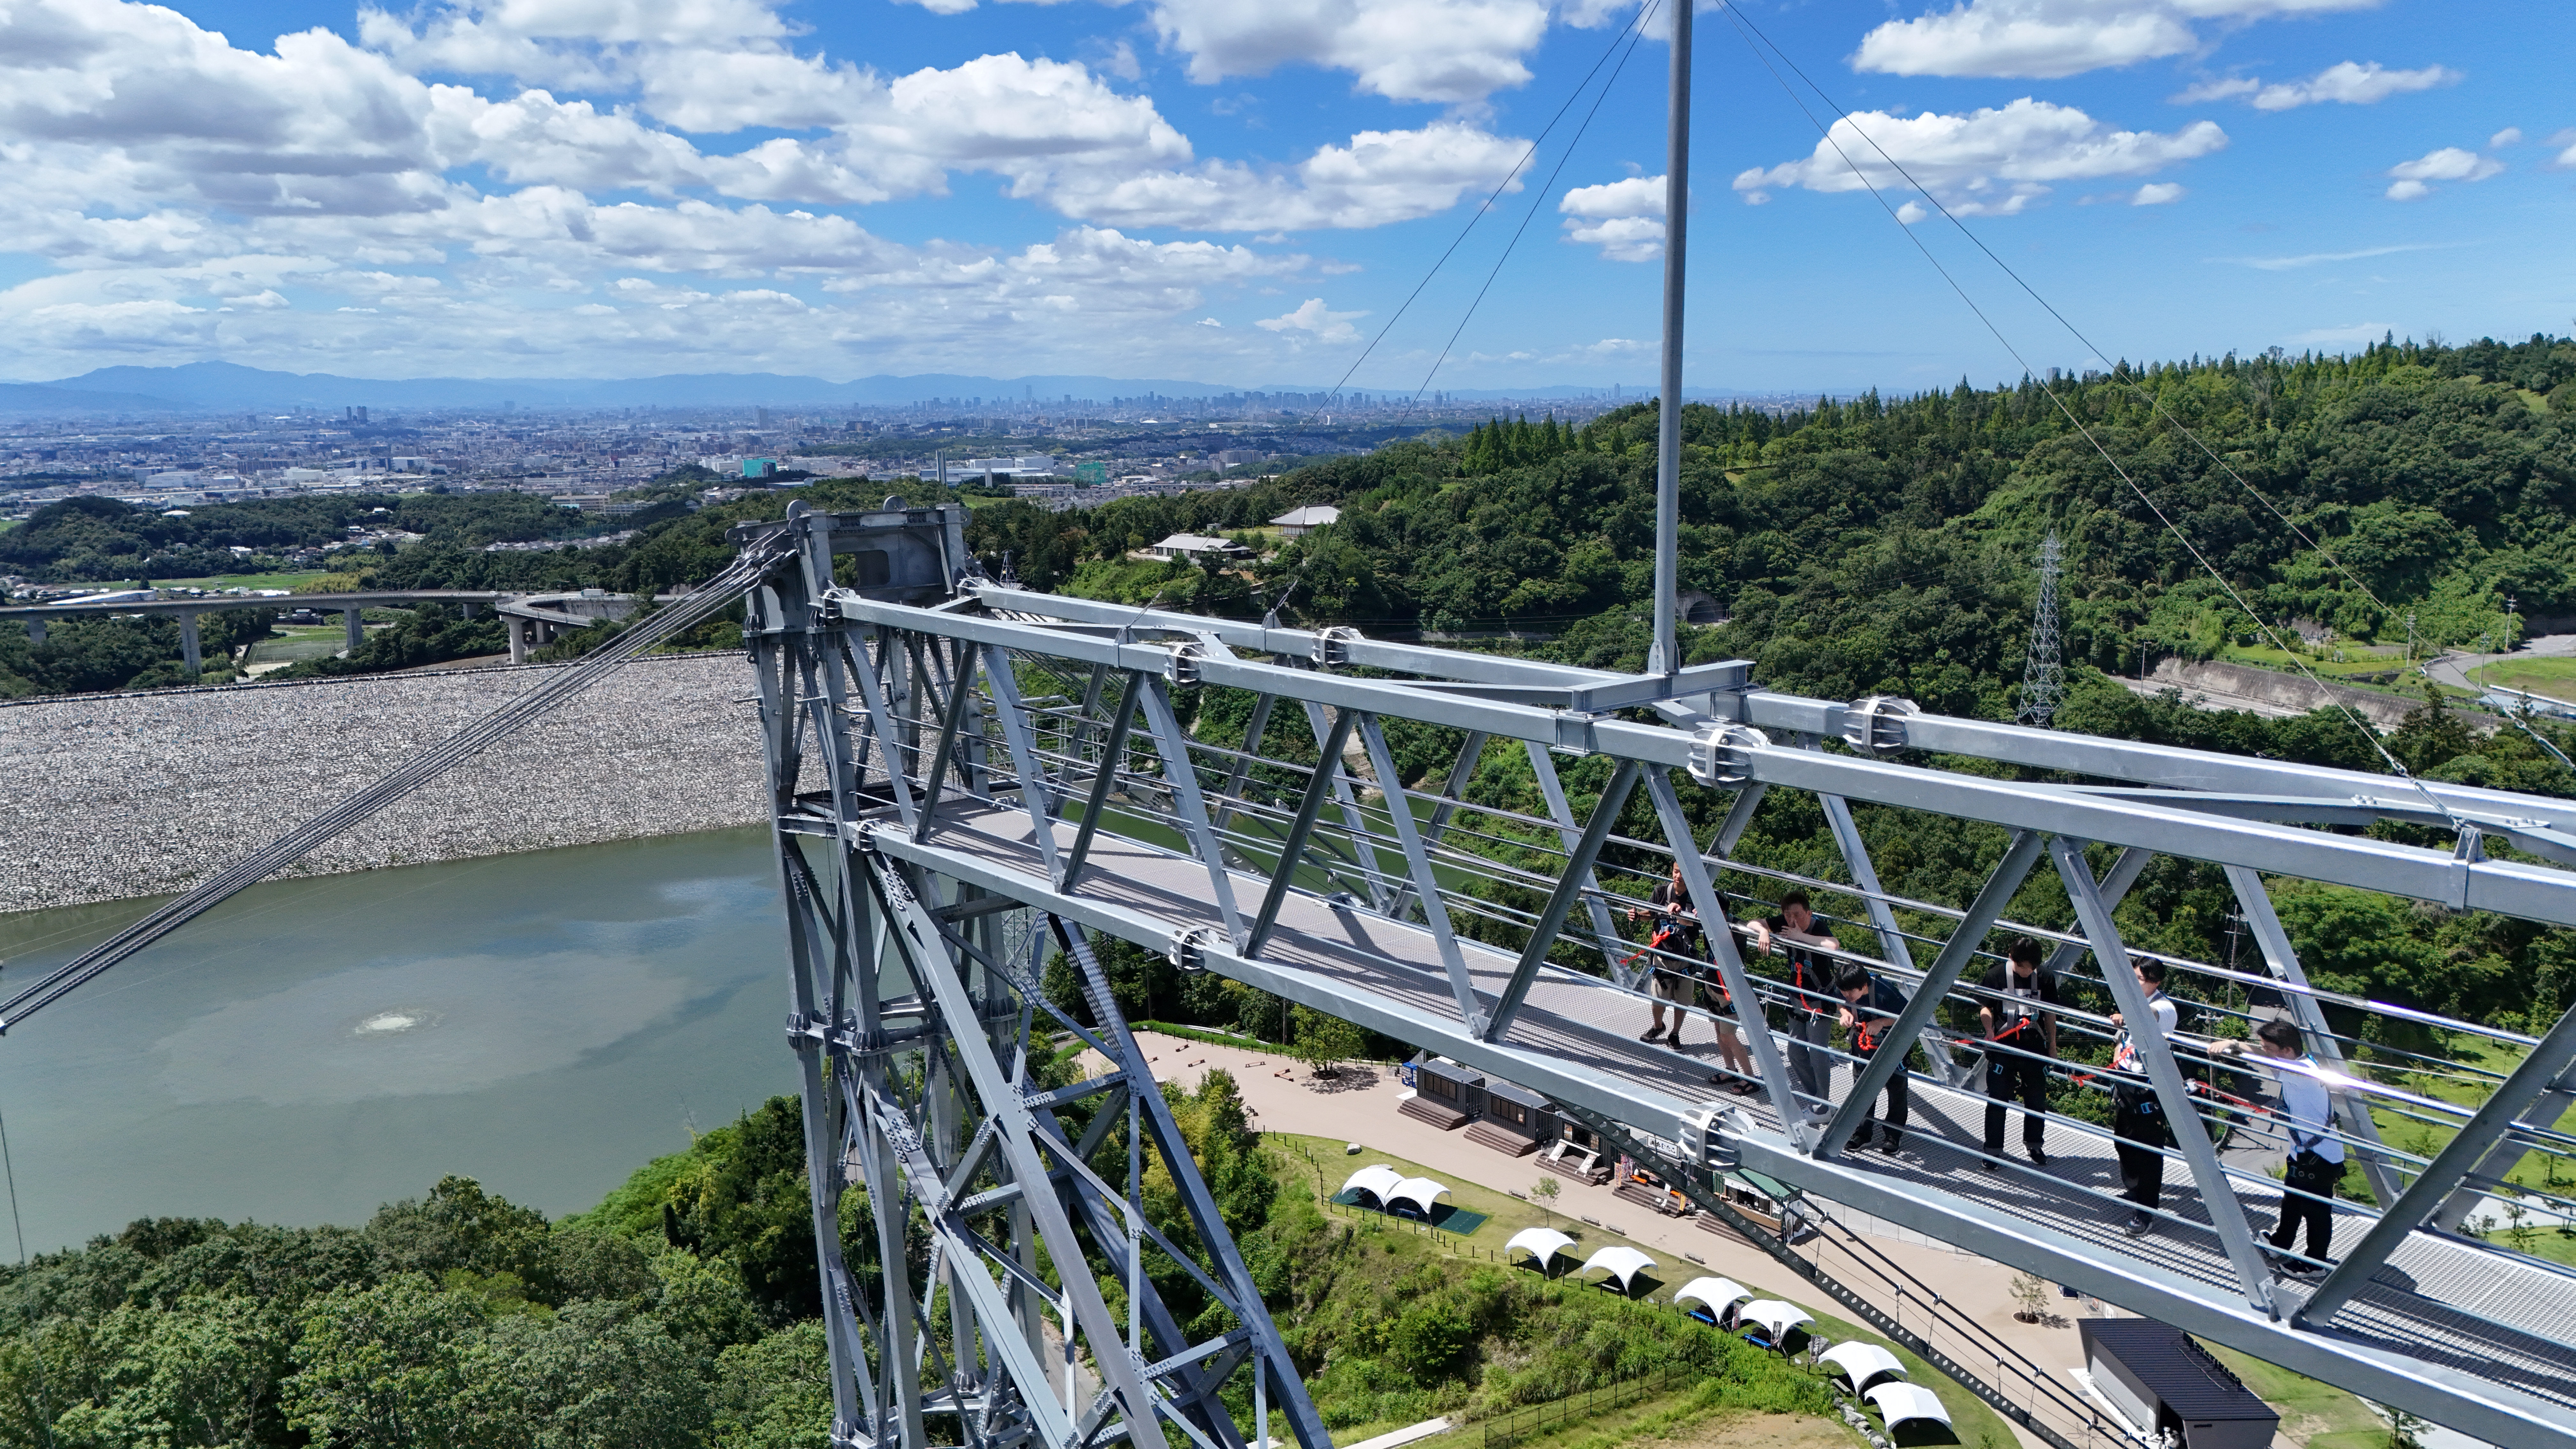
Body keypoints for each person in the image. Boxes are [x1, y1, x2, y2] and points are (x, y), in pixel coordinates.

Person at [2214, 1019, 2343, 1276]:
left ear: (2286, 1051)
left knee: (2317, 1211)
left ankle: (2315, 1262)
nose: (2265, 1052)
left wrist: (2234, 1044)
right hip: (2309, 1152)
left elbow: (2262, 1060)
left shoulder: (2299, 1072)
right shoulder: (2303, 1064)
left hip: (2319, 1156)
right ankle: (2280, 1244)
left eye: (2269, 1048)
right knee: (2293, 1201)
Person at [1749, 890, 1840, 1116]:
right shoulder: (1785, 923)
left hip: (1819, 999)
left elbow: (1833, 945)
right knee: (1795, 1052)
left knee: (1818, 1053)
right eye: (1788, 915)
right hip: (1796, 998)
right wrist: (1764, 932)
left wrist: (1801, 938)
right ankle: (1817, 1098)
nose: (1793, 921)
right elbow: (1752, 923)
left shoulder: (1817, 927)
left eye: (1798, 915)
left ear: (1809, 913)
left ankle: (1822, 1106)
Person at [2106, 958, 2179, 1237]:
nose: (2135, 983)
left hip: (2149, 1084)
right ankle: (2136, 1190)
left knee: (2149, 1150)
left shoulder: (2165, 1008)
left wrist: (2129, 1014)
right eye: (2134, 977)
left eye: (2141, 979)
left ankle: (2145, 1211)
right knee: (2123, 1141)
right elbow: (2122, 1037)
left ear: (2156, 983)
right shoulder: (2133, 1001)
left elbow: (2152, 1015)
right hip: (2127, 1077)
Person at [1979, 937, 2061, 1169]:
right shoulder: (1996, 975)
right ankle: (1993, 1150)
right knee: (1997, 1099)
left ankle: (2035, 1144)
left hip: (2033, 1043)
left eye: (2031, 968)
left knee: (2036, 1100)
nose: (2027, 972)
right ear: (2011, 957)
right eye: (2022, 967)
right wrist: (1989, 1031)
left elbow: (2050, 1014)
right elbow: (1986, 1006)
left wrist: (2052, 1047)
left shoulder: (2045, 977)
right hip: (2004, 1043)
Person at [1836, 963, 1912, 1153]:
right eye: (1844, 992)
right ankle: (1862, 1132)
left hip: (1892, 1048)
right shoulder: (1846, 990)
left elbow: (1908, 1014)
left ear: (1863, 986)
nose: (1847, 996)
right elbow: (1839, 1001)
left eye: (1850, 992)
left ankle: (1893, 1135)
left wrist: (1881, 1022)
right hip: (1863, 1047)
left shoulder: (1885, 992)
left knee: (1897, 1090)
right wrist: (1845, 1013)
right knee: (1862, 1089)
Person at [1629, 861, 1702, 1047]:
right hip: (1663, 955)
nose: (1678, 877)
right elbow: (1651, 914)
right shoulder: (1662, 892)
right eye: (1676, 872)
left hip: (1685, 958)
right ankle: (1658, 1026)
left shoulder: (1696, 898)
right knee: (1657, 999)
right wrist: (1638, 916)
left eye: (1682, 874)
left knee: (1682, 1001)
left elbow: (1700, 925)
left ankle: (1675, 1034)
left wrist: (1680, 915)